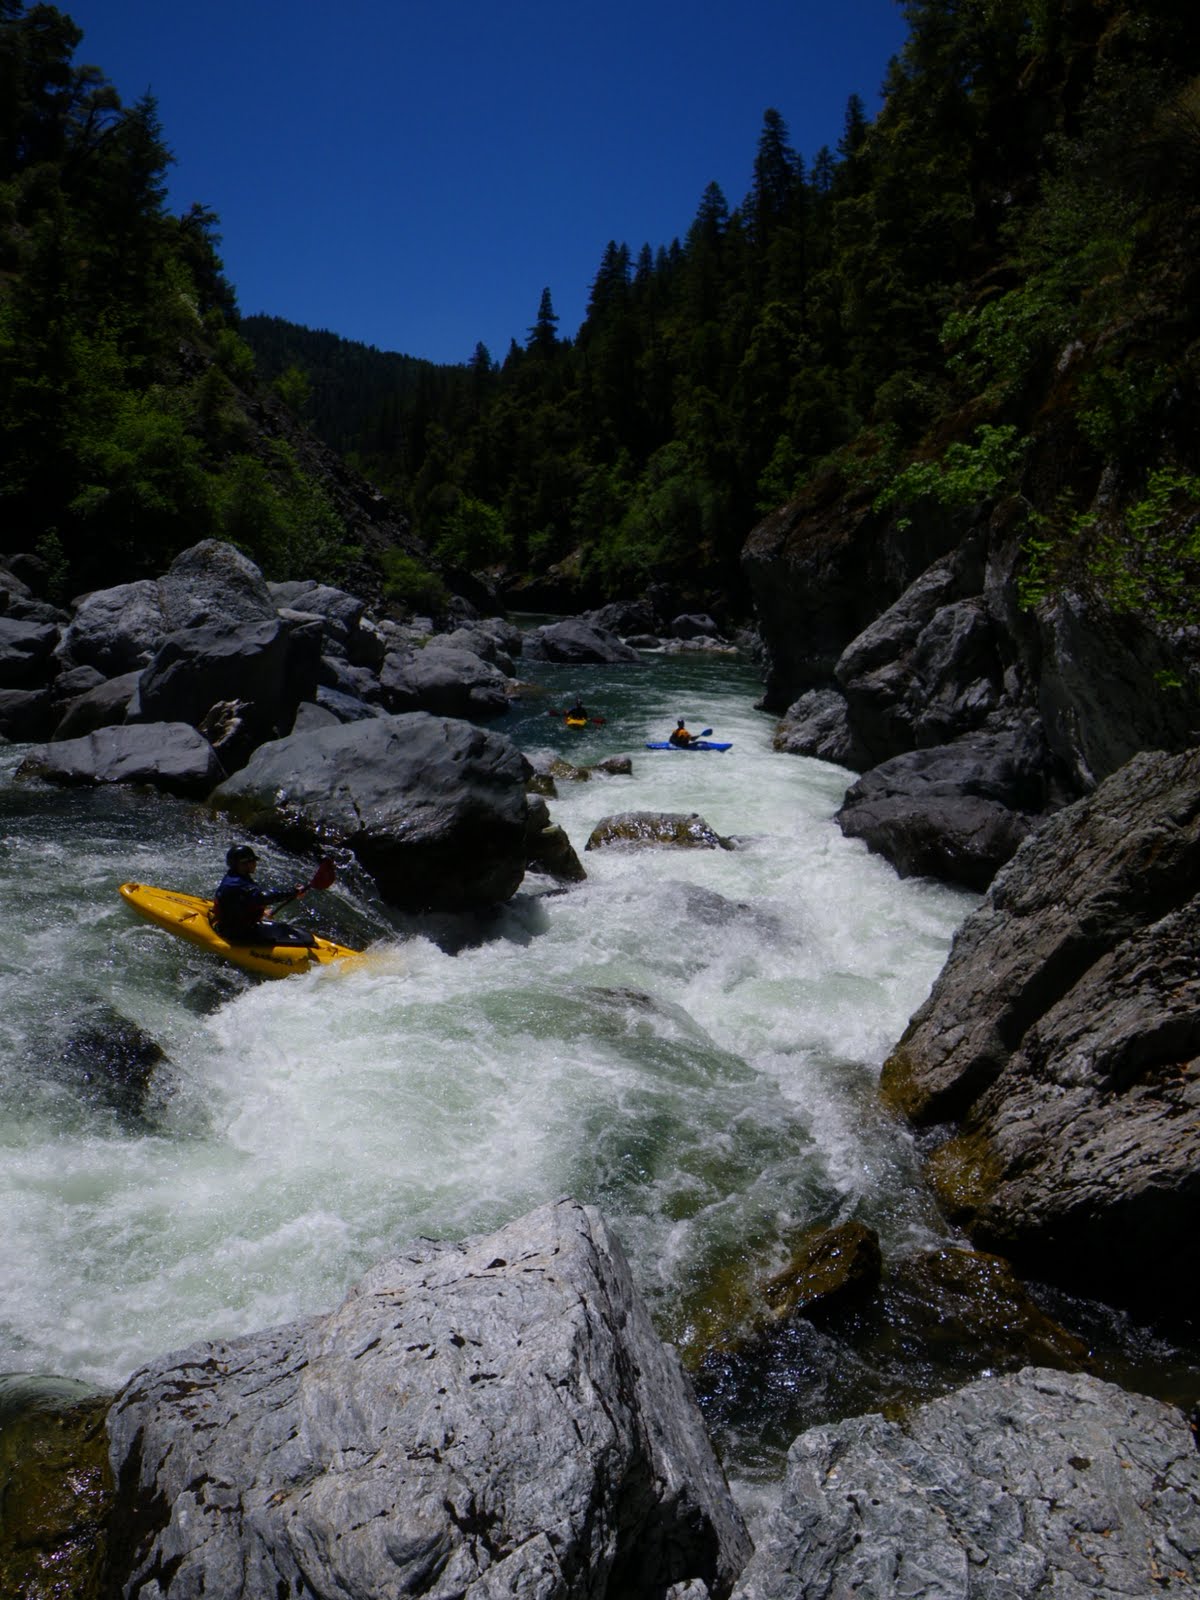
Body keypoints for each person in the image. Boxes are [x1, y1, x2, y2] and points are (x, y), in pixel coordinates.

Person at [213, 845, 315, 947]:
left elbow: (244, 900)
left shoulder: (235, 876)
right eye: (252, 861)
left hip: (235, 926)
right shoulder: (237, 884)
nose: (255, 864)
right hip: (236, 934)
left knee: (287, 930)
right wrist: (293, 892)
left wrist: (260, 910)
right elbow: (265, 897)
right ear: (242, 864)